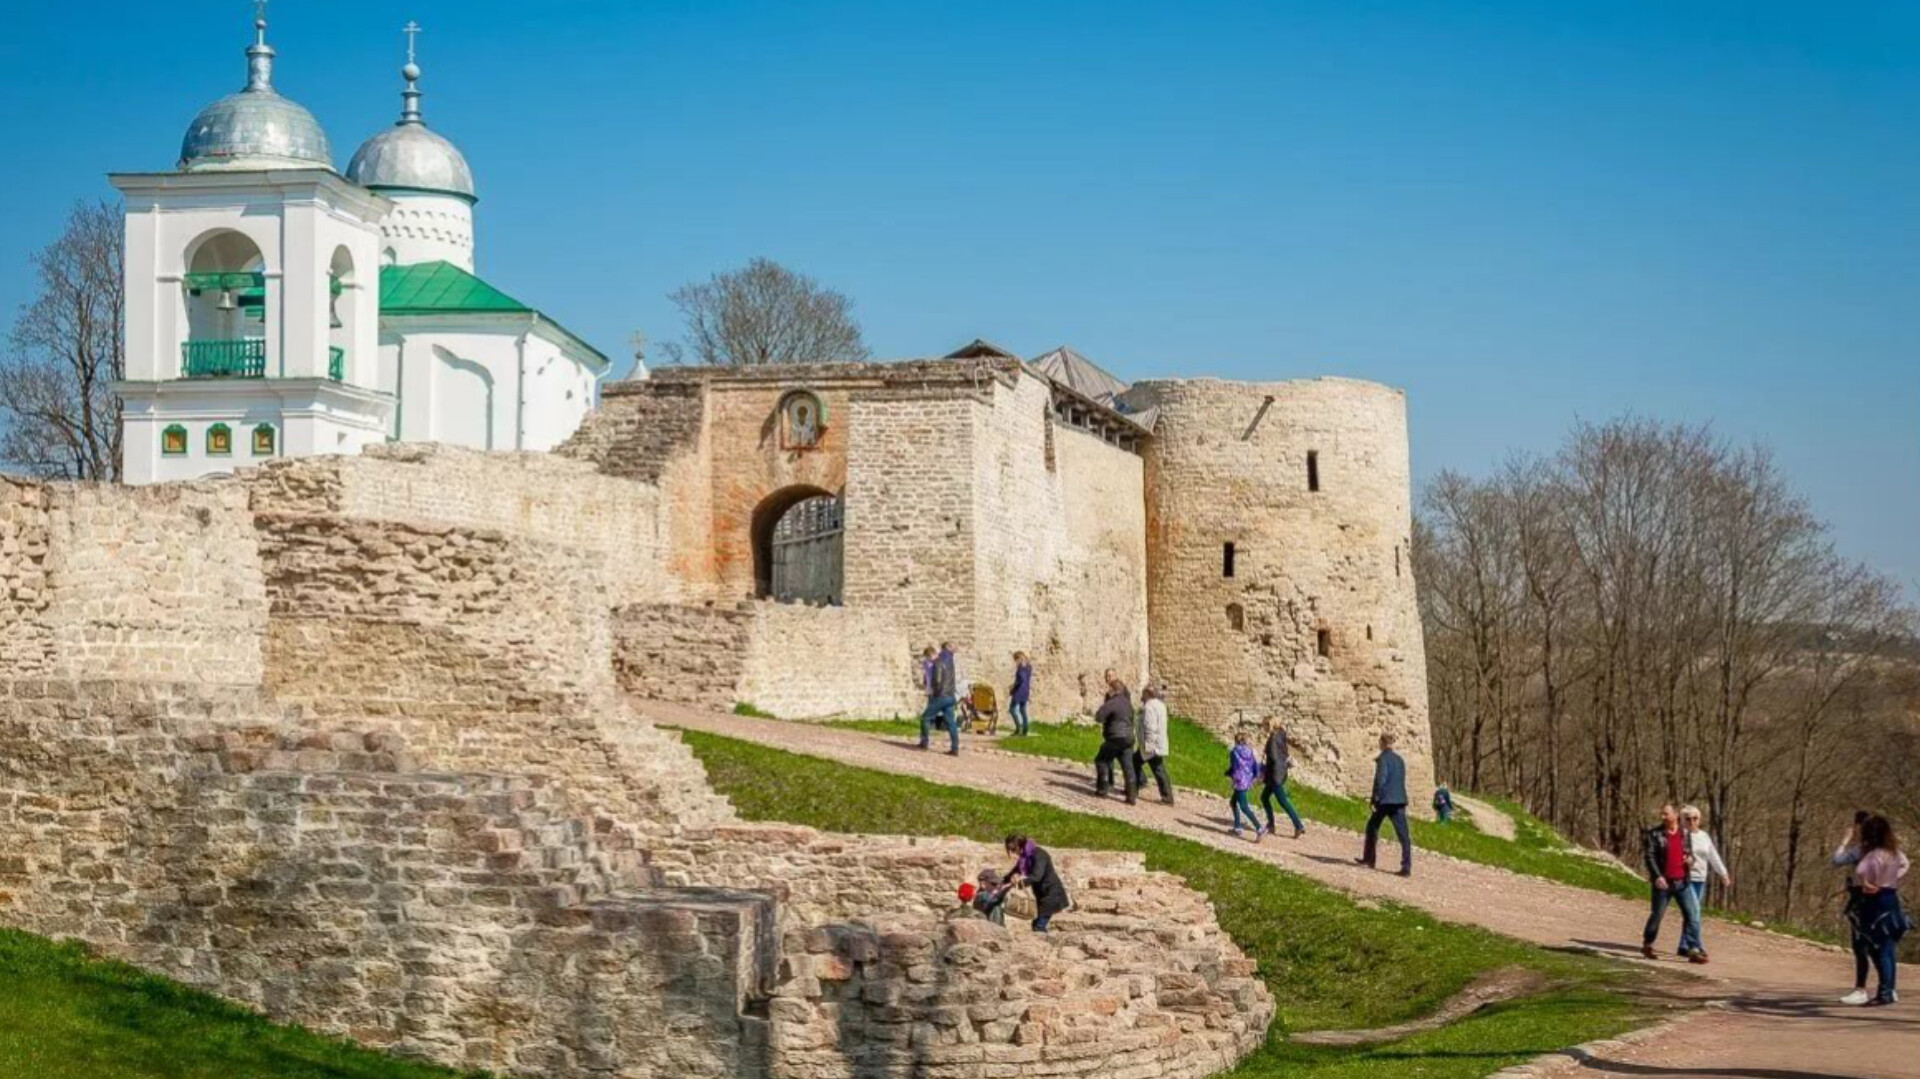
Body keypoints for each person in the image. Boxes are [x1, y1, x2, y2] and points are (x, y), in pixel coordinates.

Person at [1854, 814, 1909, 1007]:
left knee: (1879, 947)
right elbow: (1904, 864)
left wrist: (1868, 883)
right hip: (1890, 895)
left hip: (1875, 899)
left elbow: (1860, 871)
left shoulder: (1873, 854)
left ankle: (1885, 992)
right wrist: (1892, 879)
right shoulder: (1893, 852)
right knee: (1887, 946)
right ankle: (1888, 989)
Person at [1639, 803, 1701, 963]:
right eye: (1662, 814)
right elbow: (1650, 857)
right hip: (1663, 883)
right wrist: (1657, 876)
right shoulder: (1655, 834)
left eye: (1666, 814)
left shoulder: (1684, 833)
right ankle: (1647, 944)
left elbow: (1690, 854)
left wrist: (1690, 860)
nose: (1663, 817)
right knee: (1657, 915)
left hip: (1682, 882)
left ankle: (1693, 949)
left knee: (1692, 915)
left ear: (1675, 815)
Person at [1677, 804, 1732, 962]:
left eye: (1695, 818)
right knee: (1695, 913)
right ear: (1683, 820)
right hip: (1686, 878)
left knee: (1691, 913)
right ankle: (1696, 945)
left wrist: (1723, 873)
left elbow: (1712, 855)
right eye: (1688, 819)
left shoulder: (1704, 836)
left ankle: (1683, 945)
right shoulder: (1681, 836)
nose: (1692, 821)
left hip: (1700, 878)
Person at [1834, 811, 1875, 1005]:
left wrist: (1844, 841)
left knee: (1860, 945)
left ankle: (1861, 989)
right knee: (1879, 946)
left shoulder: (1861, 850)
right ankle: (1887, 988)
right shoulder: (1885, 849)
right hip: (1883, 898)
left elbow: (1836, 860)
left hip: (1861, 898)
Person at [1357, 732, 1412, 875]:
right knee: (1404, 835)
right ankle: (1406, 867)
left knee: (1372, 827)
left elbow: (1380, 780)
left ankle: (1369, 859)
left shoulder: (1382, 759)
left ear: (1382, 743)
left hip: (1385, 800)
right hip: (1399, 800)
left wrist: (1375, 799)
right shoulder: (1400, 760)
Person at [1003, 834, 1071, 933]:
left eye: (1013, 849)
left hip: (1051, 893)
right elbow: (1014, 871)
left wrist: (1020, 882)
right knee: (1036, 925)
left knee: (1039, 925)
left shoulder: (1039, 855)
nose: (1013, 853)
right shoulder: (1024, 858)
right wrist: (1000, 881)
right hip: (1040, 894)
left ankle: (1044, 946)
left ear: (1020, 845)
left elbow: (1037, 876)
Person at [1092, 671, 1137, 803]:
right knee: (1128, 767)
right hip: (1128, 738)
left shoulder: (1113, 702)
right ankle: (1131, 796)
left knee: (1102, 760)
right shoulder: (1128, 704)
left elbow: (1099, 716)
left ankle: (1102, 789)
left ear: (1113, 691)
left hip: (1115, 737)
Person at [1260, 717, 1304, 839]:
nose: (1263, 727)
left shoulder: (1273, 738)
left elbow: (1273, 758)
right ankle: (1271, 824)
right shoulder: (1281, 735)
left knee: (1283, 801)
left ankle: (1298, 825)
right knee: (1264, 797)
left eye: (1264, 725)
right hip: (1278, 773)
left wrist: (1264, 769)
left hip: (1274, 775)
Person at [1134, 685, 1173, 805]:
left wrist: (1149, 746)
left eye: (1143, 694)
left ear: (1147, 694)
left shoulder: (1149, 707)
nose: (1142, 696)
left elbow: (1150, 727)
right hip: (1157, 743)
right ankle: (1140, 783)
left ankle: (1166, 797)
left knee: (1155, 768)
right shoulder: (1160, 705)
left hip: (1152, 745)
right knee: (1154, 767)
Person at [918, 642, 959, 755]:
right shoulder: (950, 661)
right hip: (950, 695)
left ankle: (924, 742)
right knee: (951, 723)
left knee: (925, 718)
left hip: (941, 696)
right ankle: (955, 748)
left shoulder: (938, 662)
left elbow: (938, 680)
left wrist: (935, 693)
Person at [1226, 731, 1261, 839]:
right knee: (1233, 802)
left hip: (1239, 781)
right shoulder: (1250, 752)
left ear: (1236, 740)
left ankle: (1259, 828)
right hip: (1247, 780)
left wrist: (1228, 774)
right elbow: (1255, 765)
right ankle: (1237, 827)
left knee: (1244, 807)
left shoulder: (1234, 751)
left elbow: (1234, 766)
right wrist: (1255, 776)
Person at [1008, 652, 1034, 737]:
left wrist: (1013, 687)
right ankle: (1025, 730)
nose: (1015, 662)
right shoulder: (1029, 667)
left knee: (1012, 709)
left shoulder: (1021, 668)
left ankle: (1018, 728)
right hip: (1025, 691)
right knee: (1023, 711)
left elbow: (1021, 680)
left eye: (1016, 660)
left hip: (1019, 692)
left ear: (1018, 659)